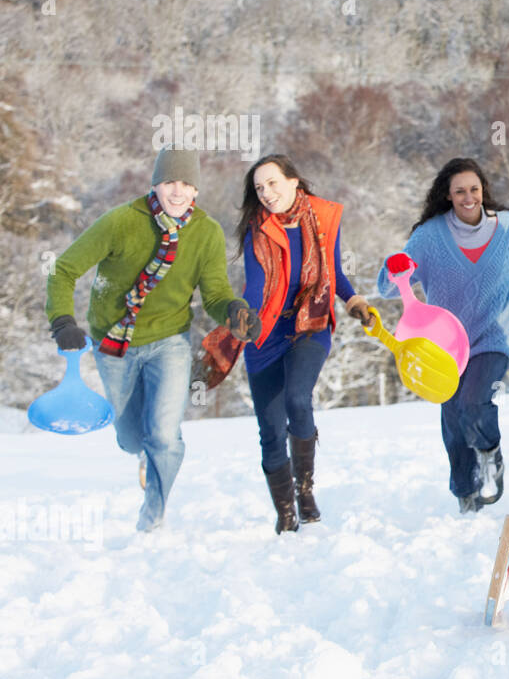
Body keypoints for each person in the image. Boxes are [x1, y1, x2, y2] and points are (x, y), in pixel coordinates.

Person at [45, 145, 259, 531]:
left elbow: (214, 295)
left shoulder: (206, 233)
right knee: (130, 439)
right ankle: (143, 454)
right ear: (155, 185)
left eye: (186, 183)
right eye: (169, 182)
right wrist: (63, 321)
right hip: (114, 344)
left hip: (169, 342)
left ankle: (153, 518)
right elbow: (63, 270)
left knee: (163, 434)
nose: (177, 192)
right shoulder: (121, 222)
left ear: (196, 190)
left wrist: (234, 311)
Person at [222, 155, 374, 534]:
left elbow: (334, 269)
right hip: (265, 331)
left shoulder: (323, 217)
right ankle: (285, 511)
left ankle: (305, 491)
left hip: (311, 321)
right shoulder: (256, 228)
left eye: (273, 183)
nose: (267, 193)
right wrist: (243, 319)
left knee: (297, 399)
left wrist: (353, 300)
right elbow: (256, 285)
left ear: (294, 182)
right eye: (259, 188)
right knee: (270, 430)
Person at [377, 158, 509, 514]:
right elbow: (388, 286)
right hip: (443, 345)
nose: (468, 197)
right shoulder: (429, 236)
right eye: (459, 191)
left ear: (483, 191)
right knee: (453, 417)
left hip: (495, 337)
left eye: (474, 189)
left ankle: (491, 454)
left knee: (475, 403)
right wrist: (394, 267)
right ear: (448, 196)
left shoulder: (508, 229)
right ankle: (465, 491)